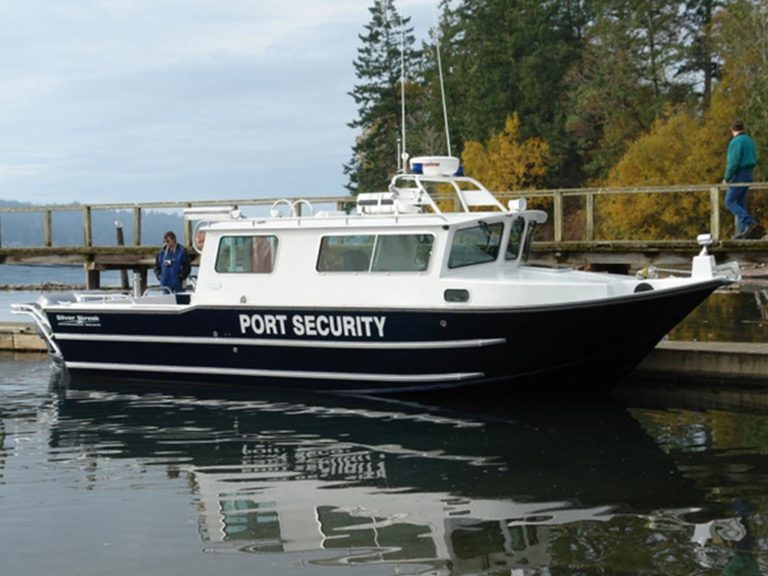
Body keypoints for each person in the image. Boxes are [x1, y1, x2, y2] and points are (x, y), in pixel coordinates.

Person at [723, 119, 762, 239]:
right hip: (749, 173)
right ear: (743, 128)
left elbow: (733, 162)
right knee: (740, 202)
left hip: (739, 174)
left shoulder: (736, 142)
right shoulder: (750, 141)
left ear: (732, 130)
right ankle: (744, 232)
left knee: (729, 201)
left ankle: (749, 222)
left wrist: (727, 177)